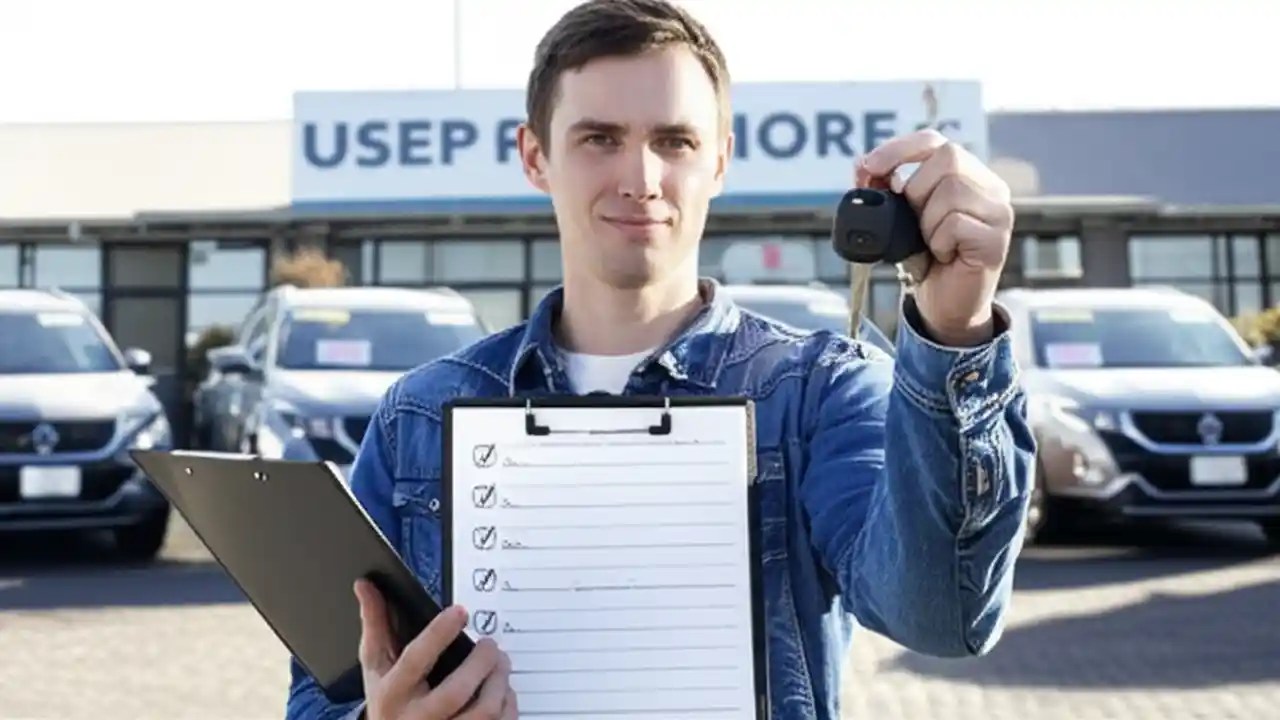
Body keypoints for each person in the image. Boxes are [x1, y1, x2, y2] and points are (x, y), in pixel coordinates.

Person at [283, 1, 1035, 718]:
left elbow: (940, 615)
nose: (640, 179)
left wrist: (954, 329)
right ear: (535, 156)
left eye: (674, 141)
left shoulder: (819, 394)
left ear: (720, 160)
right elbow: (324, 695)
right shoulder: (419, 415)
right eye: (599, 138)